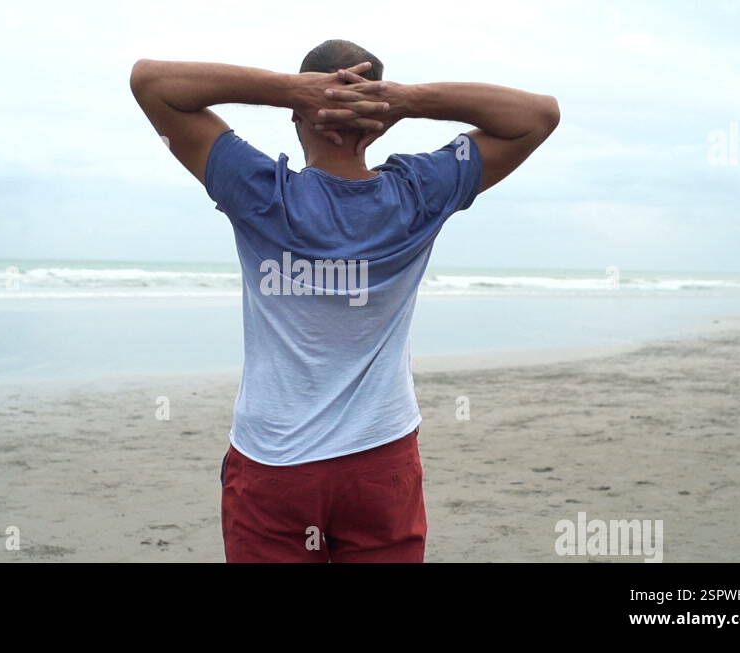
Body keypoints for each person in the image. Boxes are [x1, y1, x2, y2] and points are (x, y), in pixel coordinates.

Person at [130, 39, 559, 562]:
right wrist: (406, 100)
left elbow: (150, 83)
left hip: (273, 462)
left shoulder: (259, 191)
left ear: (298, 116)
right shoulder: (420, 193)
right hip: (381, 458)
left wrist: (289, 90)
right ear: (379, 123)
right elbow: (538, 116)